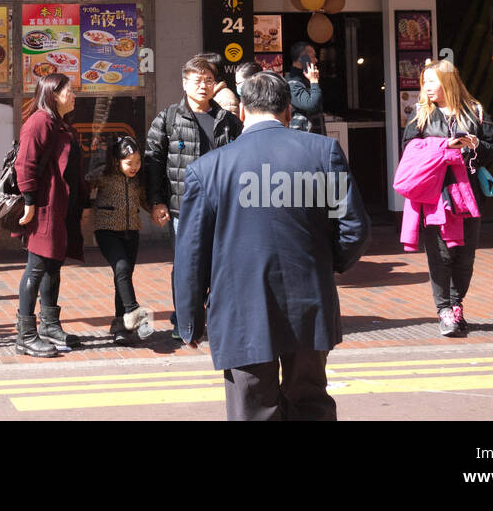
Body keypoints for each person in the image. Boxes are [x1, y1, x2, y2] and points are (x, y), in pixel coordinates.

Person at [174, 71, 370, 421]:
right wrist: (327, 265)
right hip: (309, 299)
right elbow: (352, 227)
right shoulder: (322, 153)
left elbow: (191, 255)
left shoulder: (209, 169)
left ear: (243, 112)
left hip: (239, 308)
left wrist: (190, 320)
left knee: (253, 406)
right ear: (288, 110)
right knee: (310, 401)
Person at [400, 59, 493, 336]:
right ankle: (444, 309)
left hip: (469, 194)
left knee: (465, 256)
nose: (427, 87)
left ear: (448, 82)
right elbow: (410, 150)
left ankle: (457, 305)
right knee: (440, 254)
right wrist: (445, 146)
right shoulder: (421, 113)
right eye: (425, 82)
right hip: (437, 193)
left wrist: (477, 144)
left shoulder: (475, 111)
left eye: (432, 81)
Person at [144, 55, 241, 336]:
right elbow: (153, 162)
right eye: (197, 80)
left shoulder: (228, 121)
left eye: (209, 80)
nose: (203, 86)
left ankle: (217, 316)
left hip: (223, 207)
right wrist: (156, 201)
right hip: (182, 208)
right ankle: (183, 320)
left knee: (222, 262)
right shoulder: (169, 118)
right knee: (186, 265)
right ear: (185, 83)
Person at [13, 72, 87, 357]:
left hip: (59, 205)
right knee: (37, 266)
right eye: (70, 90)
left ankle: (50, 325)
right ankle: (26, 335)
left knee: (53, 265)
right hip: (42, 206)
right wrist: (29, 201)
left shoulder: (59, 123)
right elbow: (25, 164)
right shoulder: (40, 122)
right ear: (55, 94)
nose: (74, 95)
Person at [88, 135, 152, 344]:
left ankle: (120, 327)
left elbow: (144, 200)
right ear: (117, 161)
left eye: (138, 162)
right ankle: (135, 313)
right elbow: (85, 183)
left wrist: (156, 211)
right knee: (122, 269)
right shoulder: (104, 175)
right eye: (129, 163)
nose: (134, 167)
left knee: (122, 277)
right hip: (107, 230)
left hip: (131, 231)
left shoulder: (138, 180)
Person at [284, 41, 325, 133]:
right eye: (313, 56)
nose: (316, 60)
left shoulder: (305, 79)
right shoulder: (292, 82)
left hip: (312, 138)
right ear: (303, 58)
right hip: (303, 139)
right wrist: (314, 81)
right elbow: (311, 104)